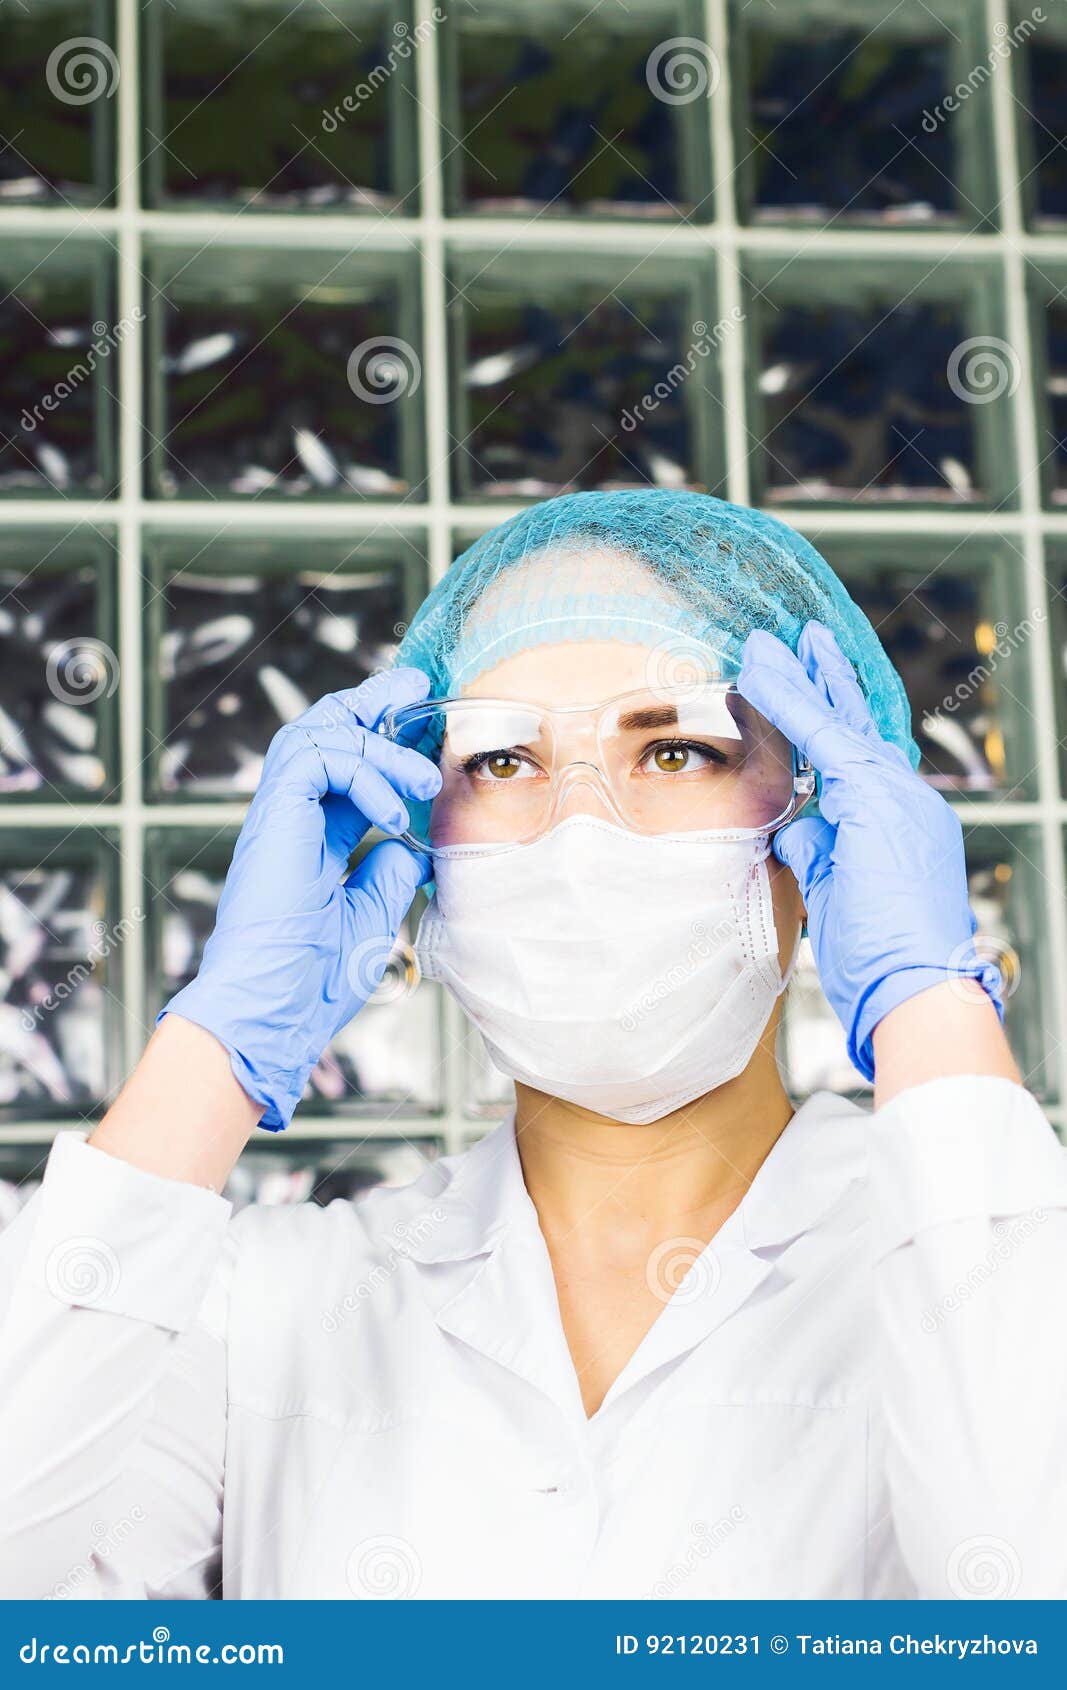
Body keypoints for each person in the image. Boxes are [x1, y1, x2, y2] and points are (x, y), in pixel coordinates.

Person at [1, 489, 1065, 1600]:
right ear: (426, 830)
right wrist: (213, 1048)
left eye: (675, 751)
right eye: (503, 761)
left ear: (815, 824)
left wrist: (927, 1005)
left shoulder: (975, 1263)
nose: (579, 828)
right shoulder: (275, 1307)